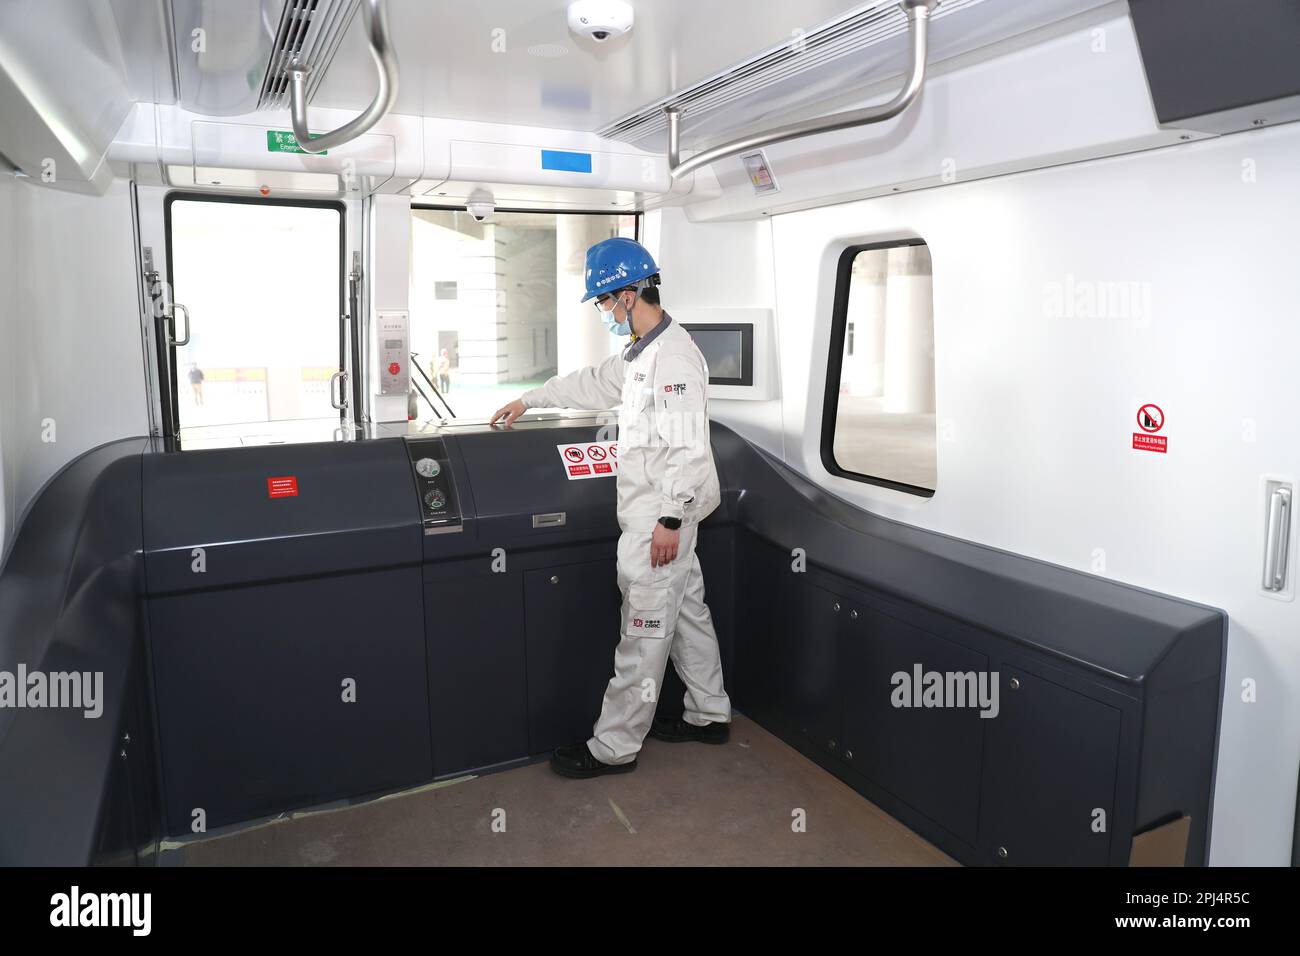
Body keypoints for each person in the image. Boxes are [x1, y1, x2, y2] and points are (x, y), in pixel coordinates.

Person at [490, 237, 732, 777]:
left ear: (628, 294)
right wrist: (531, 398)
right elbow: (596, 382)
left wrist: (670, 518)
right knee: (688, 613)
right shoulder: (642, 352)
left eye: (602, 302)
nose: (603, 312)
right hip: (665, 515)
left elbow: (689, 447)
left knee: (643, 634)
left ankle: (614, 747)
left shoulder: (673, 360)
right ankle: (708, 713)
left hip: (660, 521)